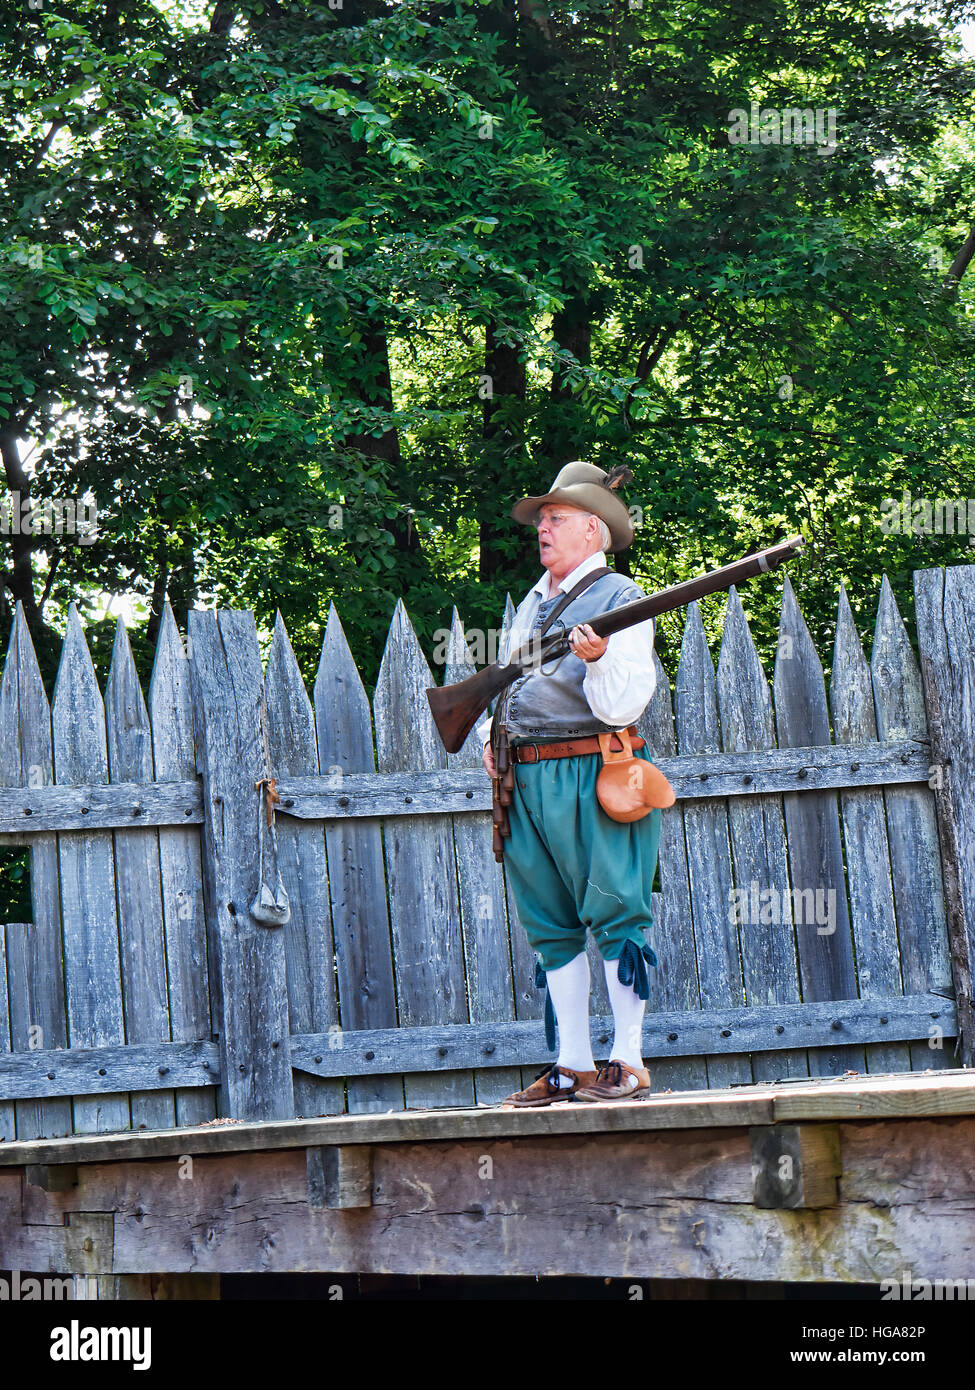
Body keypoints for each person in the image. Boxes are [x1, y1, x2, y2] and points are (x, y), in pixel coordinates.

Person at [476, 461, 663, 1105]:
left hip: (596, 770)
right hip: (524, 778)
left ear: (593, 530)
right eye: (543, 520)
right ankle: (573, 1065)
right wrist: (489, 740)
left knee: (615, 914)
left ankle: (629, 1062)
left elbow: (624, 706)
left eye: (556, 519)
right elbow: (505, 683)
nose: (543, 529)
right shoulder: (534, 601)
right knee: (550, 925)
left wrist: (600, 658)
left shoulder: (620, 599)